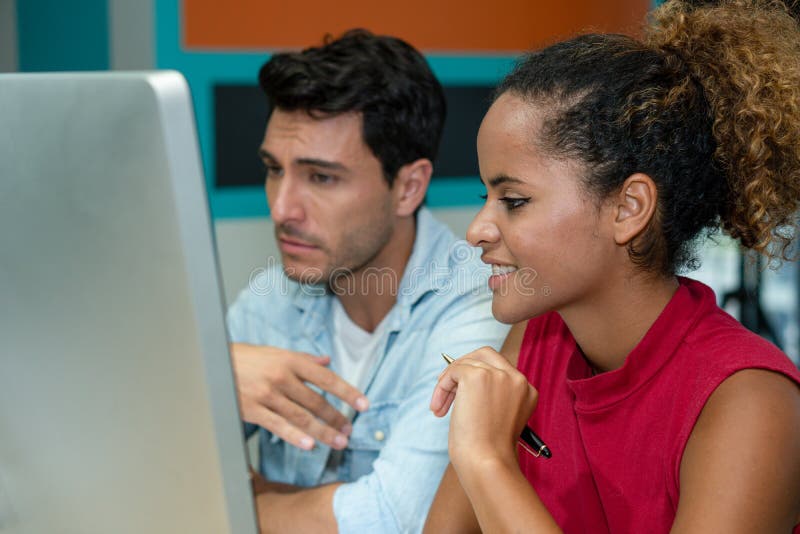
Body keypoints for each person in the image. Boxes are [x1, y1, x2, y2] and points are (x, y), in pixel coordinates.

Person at [424, 1, 800, 532]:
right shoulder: (534, 337)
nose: (477, 229)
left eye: (513, 200)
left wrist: (487, 461)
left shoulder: (751, 403)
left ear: (627, 209)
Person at [225, 29, 509, 533]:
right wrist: (217, 374)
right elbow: (155, 471)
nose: (282, 208)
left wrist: (244, 502)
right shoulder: (267, 301)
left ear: (408, 187)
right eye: (274, 169)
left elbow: (392, 521)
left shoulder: (482, 302)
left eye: (321, 177)